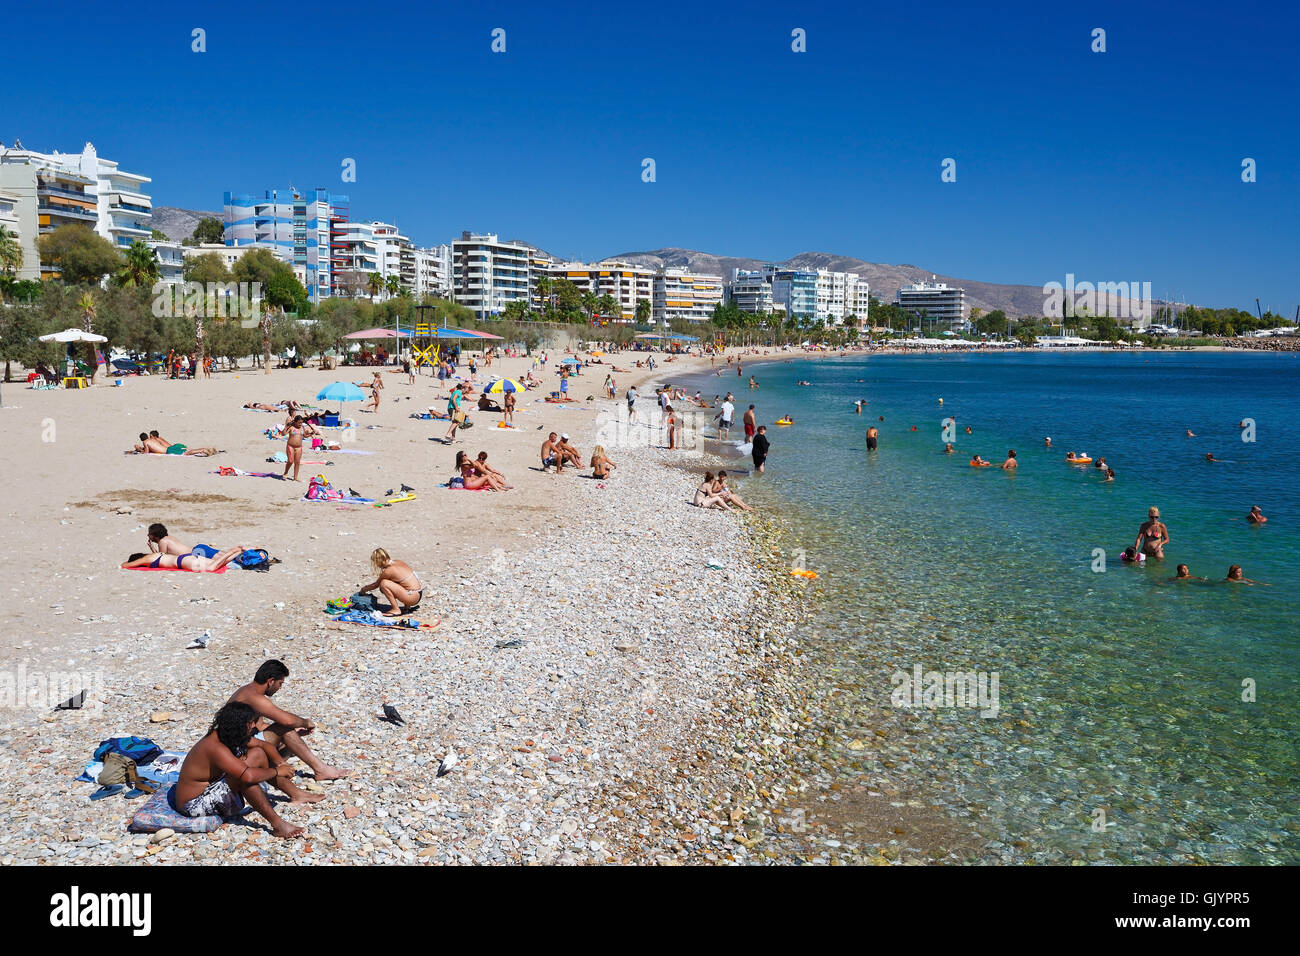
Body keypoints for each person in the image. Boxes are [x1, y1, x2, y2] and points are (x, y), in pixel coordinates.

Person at [173, 702, 305, 839]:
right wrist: (277, 771)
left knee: (258, 753)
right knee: (244, 778)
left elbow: (263, 745)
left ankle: (266, 795)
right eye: (251, 722)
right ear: (239, 724)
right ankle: (278, 825)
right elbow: (247, 775)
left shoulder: (226, 734)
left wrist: (281, 763)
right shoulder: (215, 747)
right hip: (193, 804)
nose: (254, 725)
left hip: (211, 787)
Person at [229, 660, 349, 781]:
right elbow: (287, 721)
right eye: (280, 683)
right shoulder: (254, 697)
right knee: (283, 727)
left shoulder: (248, 691)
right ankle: (321, 770)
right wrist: (306, 722)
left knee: (287, 743)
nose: (280, 688)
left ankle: (309, 770)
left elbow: (259, 726)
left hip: (240, 744)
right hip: (233, 752)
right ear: (271, 681)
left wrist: (291, 737)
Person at [359, 548, 425, 614]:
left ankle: (396, 609)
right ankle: (406, 607)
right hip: (418, 593)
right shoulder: (397, 562)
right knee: (398, 581)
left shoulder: (389, 570)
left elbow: (376, 585)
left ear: (378, 561)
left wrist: (363, 589)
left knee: (384, 584)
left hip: (412, 596)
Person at [122, 546, 247, 572]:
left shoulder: (147, 558)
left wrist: (128, 562)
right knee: (224, 564)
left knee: (212, 567)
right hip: (186, 558)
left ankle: (233, 551)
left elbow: (126, 565)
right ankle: (238, 553)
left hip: (183, 562)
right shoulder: (154, 555)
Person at [282, 415, 317, 481]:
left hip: (299, 447)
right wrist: (286, 426)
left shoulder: (302, 427)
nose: (300, 424)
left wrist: (311, 434)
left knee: (297, 462)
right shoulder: (291, 427)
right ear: (295, 422)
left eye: (301, 422)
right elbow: (283, 434)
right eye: (299, 423)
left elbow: (304, 436)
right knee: (290, 461)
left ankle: (295, 477)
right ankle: (285, 473)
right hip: (290, 446)